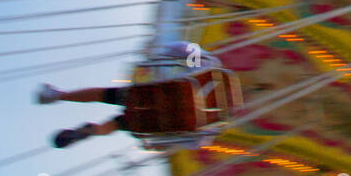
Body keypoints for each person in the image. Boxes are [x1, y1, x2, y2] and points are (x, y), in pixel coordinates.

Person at [38, 41, 231, 149]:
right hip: (170, 110)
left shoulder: (209, 64)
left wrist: (155, 59)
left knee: (104, 97)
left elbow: (174, 51)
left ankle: (58, 97)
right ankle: (87, 125)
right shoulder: (211, 67)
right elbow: (190, 141)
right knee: (117, 116)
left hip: (158, 99)